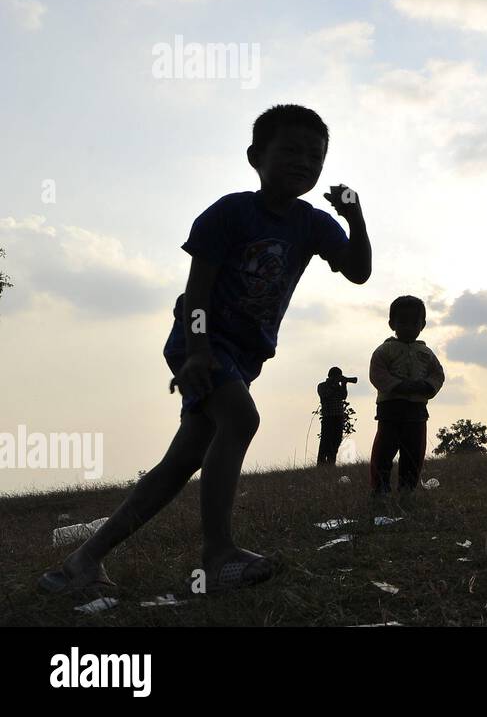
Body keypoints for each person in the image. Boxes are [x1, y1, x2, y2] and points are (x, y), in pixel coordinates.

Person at [39, 104, 372, 594]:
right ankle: (217, 556)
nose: (304, 162)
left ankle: (83, 561)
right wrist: (196, 352)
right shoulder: (230, 212)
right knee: (241, 419)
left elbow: (358, 270)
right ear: (256, 156)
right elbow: (198, 291)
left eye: (315, 157)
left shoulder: (314, 224)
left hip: (244, 355)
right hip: (202, 342)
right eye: (291, 151)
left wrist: (355, 214)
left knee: (178, 465)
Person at [368, 295, 445, 494]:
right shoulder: (384, 350)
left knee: (414, 451)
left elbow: (438, 374)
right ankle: (380, 489)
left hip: (417, 410)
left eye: (414, 322)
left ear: (423, 324)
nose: (409, 327)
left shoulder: (426, 353)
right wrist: (398, 386)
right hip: (390, 408)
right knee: (384, 450)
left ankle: (407, 489)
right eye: (403, 322)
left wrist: (428, 387)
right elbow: (377, 374)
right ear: (392, 323)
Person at [317, 366, 358, 466]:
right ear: (331, 377)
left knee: (336, 441)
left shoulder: (338, 386)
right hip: (328, 417)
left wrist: (344, 384)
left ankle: (331, 462)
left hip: (338, 417)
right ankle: (321, 463)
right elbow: (325, 395)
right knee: (325, 441)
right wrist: (334, 385)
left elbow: (343, 396)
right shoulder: (322, 386)